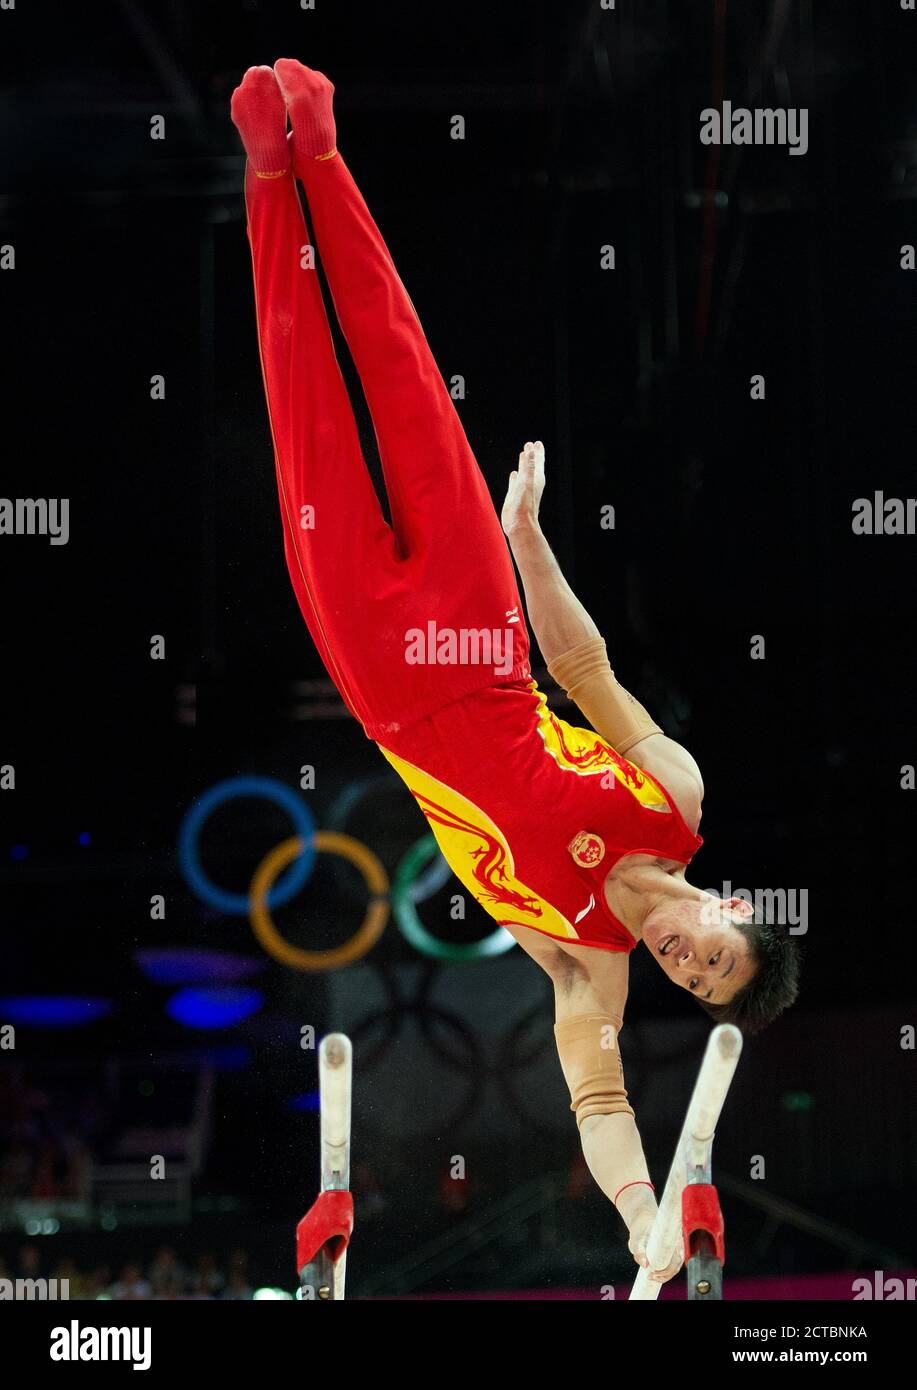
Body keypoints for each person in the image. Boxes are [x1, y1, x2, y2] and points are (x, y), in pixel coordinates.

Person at [230, 60, 799, 1284]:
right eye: (715, 952)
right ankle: (322, 149)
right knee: (397, 362)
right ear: (731, 906)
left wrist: (642, 1214)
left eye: (697, 984)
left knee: (306, 405)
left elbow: (596, 1107)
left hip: (384, 682)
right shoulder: (676, 795)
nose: (688, 964)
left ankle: (269, 176)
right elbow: (584, 667)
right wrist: (529, 540)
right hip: (486, 633)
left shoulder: (582, 965)